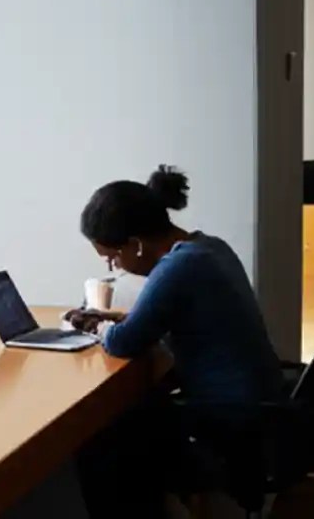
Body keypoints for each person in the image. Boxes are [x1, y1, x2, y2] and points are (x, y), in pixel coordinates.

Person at [70, 165, 284, 518]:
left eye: (113, 255)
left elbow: (123, 343)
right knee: (135, 414)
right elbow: (169, 319)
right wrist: (114, 318)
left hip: (229, 422)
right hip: (257, 408)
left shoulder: (177, 267)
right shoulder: (208, 248)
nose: (113, 264)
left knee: (101, 441)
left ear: (136, 245)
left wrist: (95, 327)